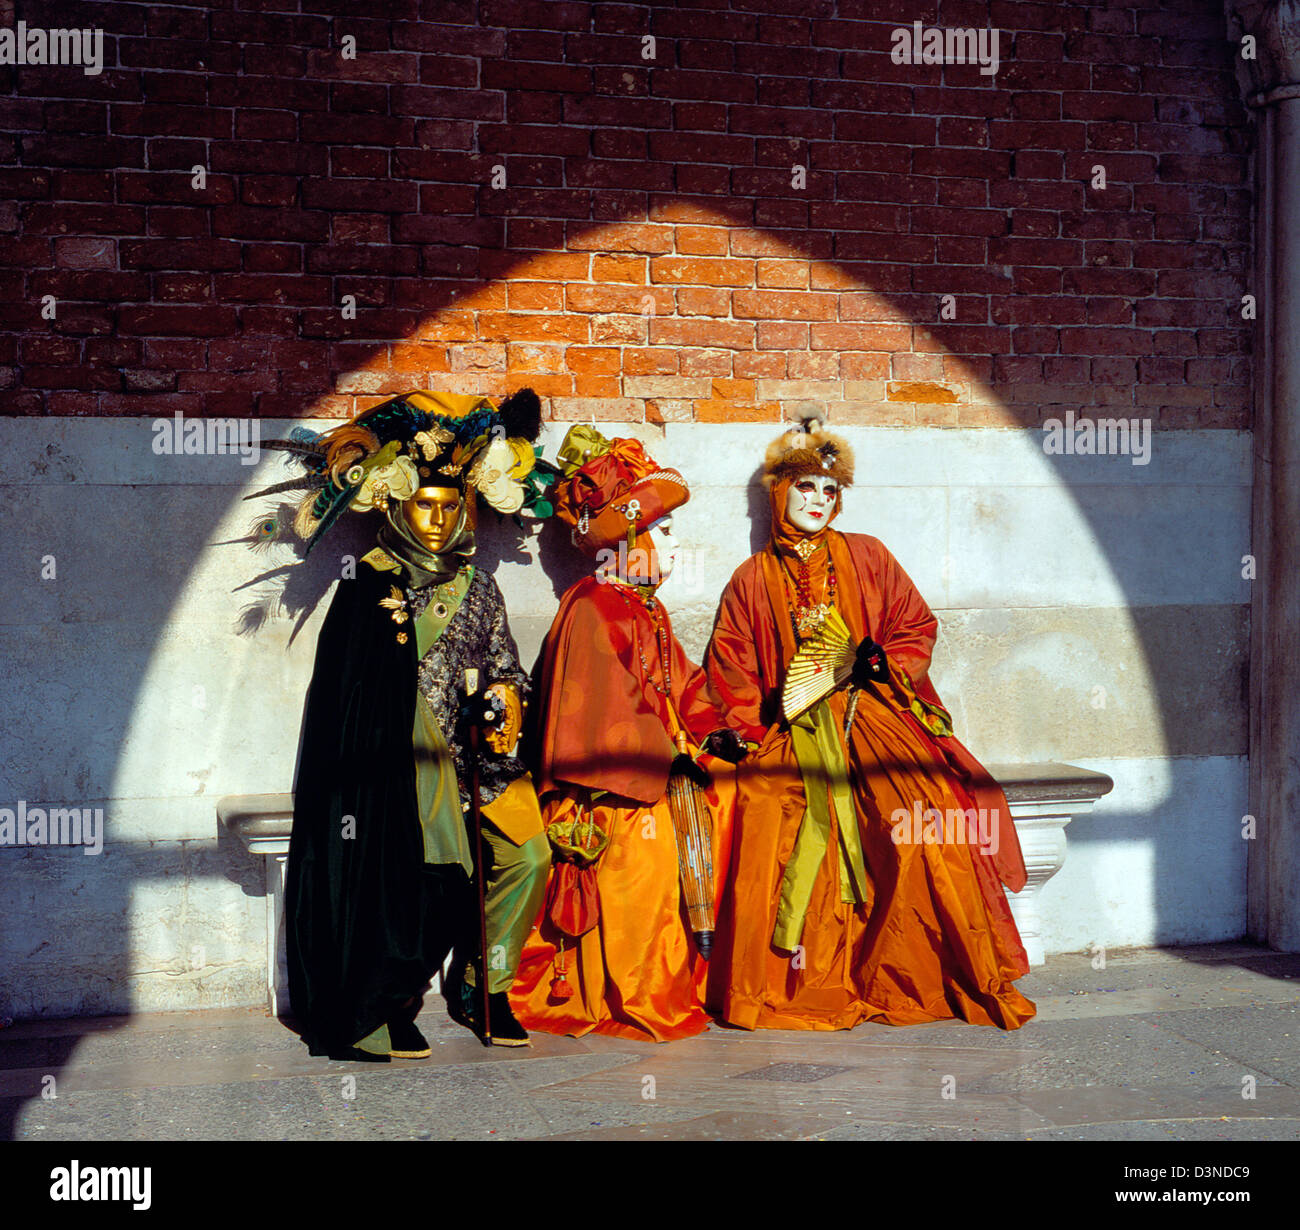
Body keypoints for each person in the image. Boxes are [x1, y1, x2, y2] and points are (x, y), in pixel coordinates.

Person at [703, 416, 1035, 1031]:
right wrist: (749, 730)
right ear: (779, 492)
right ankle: (795, 977)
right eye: (805, 488)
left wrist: (886, 663)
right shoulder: (752, 578)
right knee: (775, 813)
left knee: (921, 813)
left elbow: (915, 623)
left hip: (872, 713)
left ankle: (913, 968)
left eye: (830, 492)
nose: (818, 502)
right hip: (795, 729)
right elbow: (731, 664)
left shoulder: (868, 555)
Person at [268, 389, 554, 1059]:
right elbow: (352, 697)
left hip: (482, 761)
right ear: (396, 506)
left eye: (450, 506)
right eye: (423, 505)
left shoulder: (480, 587)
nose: (436, 518)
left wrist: (508, 704)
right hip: (405, 772)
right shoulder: (367, 584)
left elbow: (507, 667)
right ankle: (393, 995)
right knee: (430, 876)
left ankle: (486, 983)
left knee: (529, 855)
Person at [508, 427, 748, 1042]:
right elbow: (598, 710)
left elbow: (681, 682)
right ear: (631, 540)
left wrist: (714, 731)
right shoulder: (592, 606)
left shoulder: (645, 607)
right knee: (644, 868)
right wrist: (669, 755)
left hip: (653, 774)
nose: (674, 546)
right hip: (611, 793)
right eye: (663, 533)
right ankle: (634, 990)